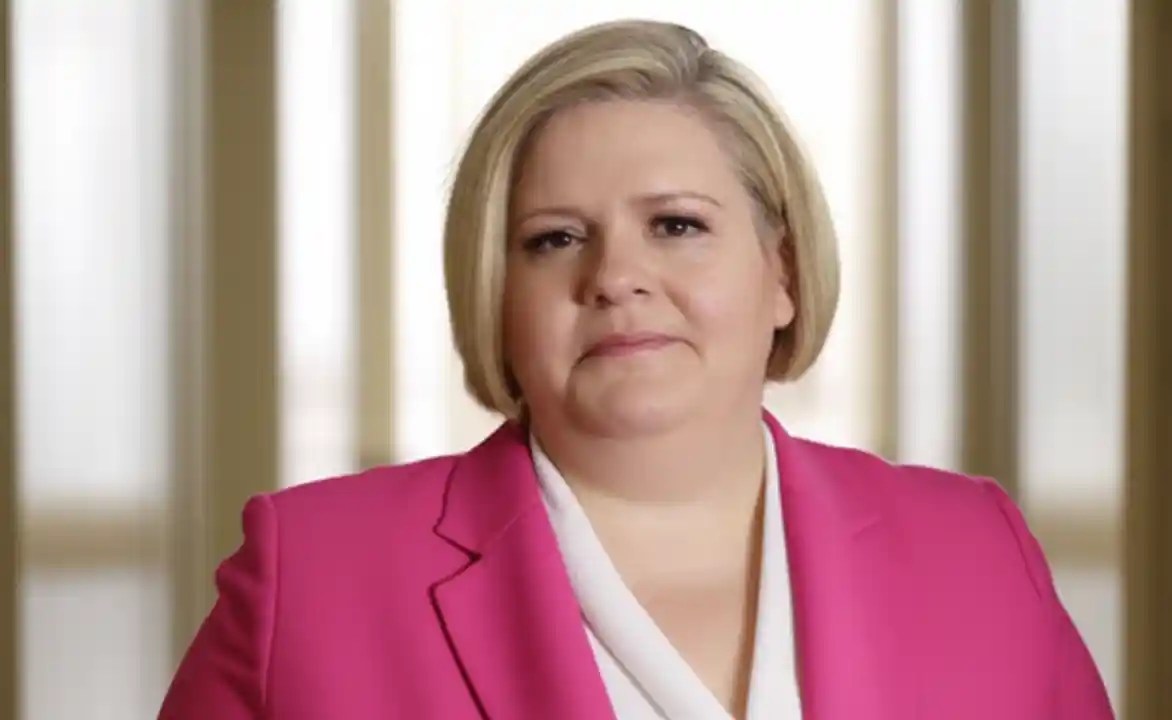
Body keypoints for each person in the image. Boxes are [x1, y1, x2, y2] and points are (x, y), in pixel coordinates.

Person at [159, 19, 1113, 719]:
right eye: (554, 238)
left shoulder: (976, 550)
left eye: (677, 226)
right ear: (496, 294)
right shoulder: (313, 577)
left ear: (781, 273)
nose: (615, 277)